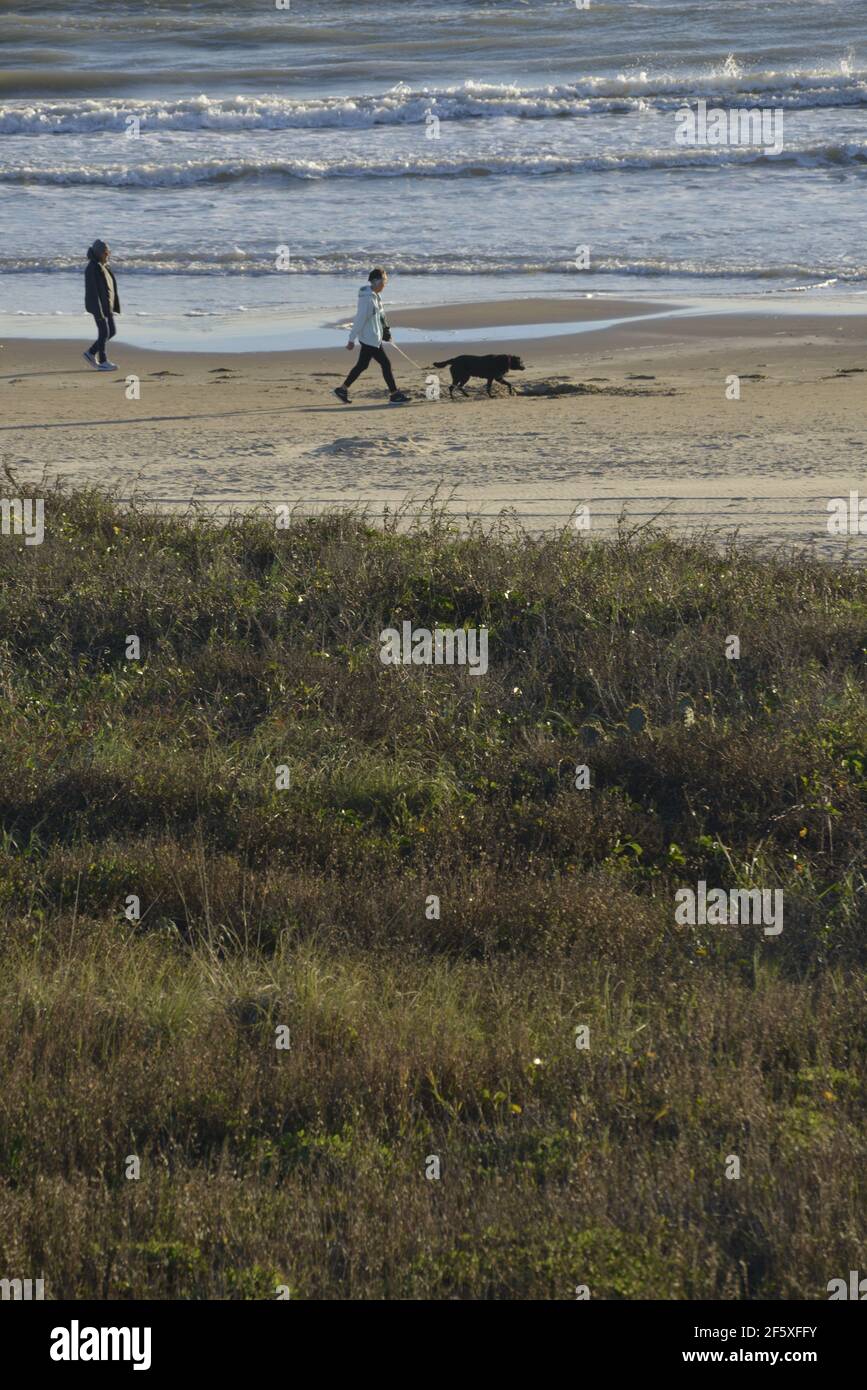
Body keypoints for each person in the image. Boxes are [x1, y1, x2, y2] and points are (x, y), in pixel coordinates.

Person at [334, 268, 410, 404]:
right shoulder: (367, 299)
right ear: (375, 281)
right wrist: (351, 339)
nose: (384, 284)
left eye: (385, 281)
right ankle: (394, 395)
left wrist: (386, 330)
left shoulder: (376, 296)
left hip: (374, 337)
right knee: (386, 364)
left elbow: (381, 315)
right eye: (383, 281)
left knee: (362, 365)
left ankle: (342, 389)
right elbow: (359, 319)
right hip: (370, 339)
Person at [83, 239, 120, 371]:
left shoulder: (103, 265)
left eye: (108, 252)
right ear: (99, 253)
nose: (108, 254)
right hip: (99, 306)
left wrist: (113, 305)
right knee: (104, 333)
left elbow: (110, 287)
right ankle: (103, 361)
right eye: (105, 252)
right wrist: (98, 311)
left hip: (107, 305)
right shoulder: (92, 268)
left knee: (112, 331)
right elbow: (93, 292)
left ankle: (91, 353)